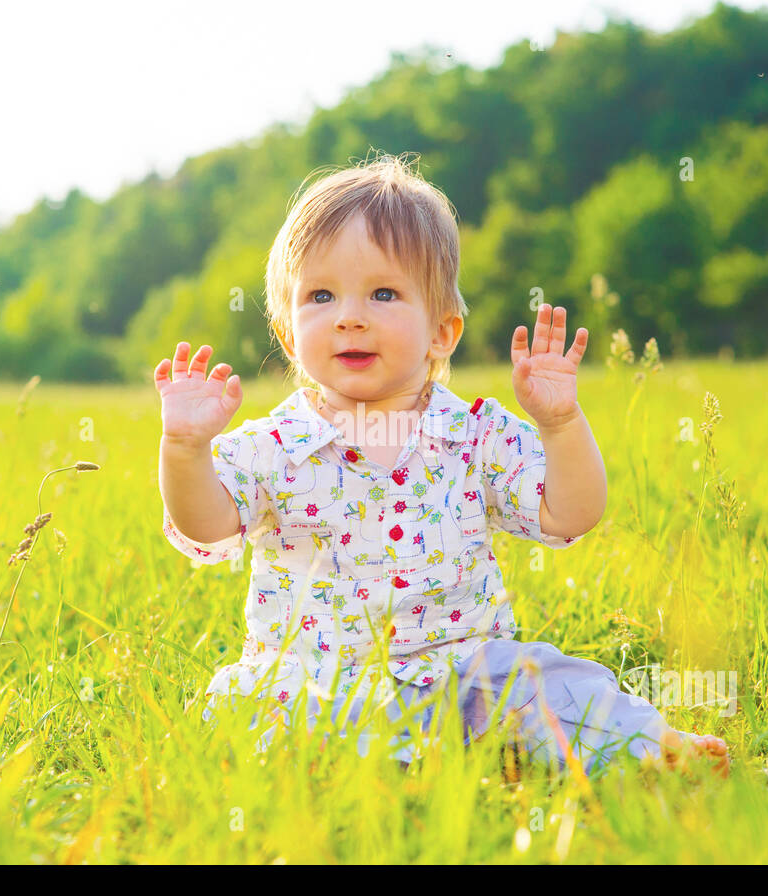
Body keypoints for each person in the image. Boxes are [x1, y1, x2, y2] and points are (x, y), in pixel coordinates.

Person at [155, 153, 729, 778]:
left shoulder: (475, 433)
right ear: (290, 334)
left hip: (468, 671)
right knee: (296, 727)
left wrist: (560, 425)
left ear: (442, 333)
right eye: (320, 295)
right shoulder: (271, 447)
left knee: (552, 684)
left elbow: (571, 514)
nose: (350, 314)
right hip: (322, 679)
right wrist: (186, 450)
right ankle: (392, 773)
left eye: (384, 292)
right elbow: (207, 527)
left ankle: (646, 752)